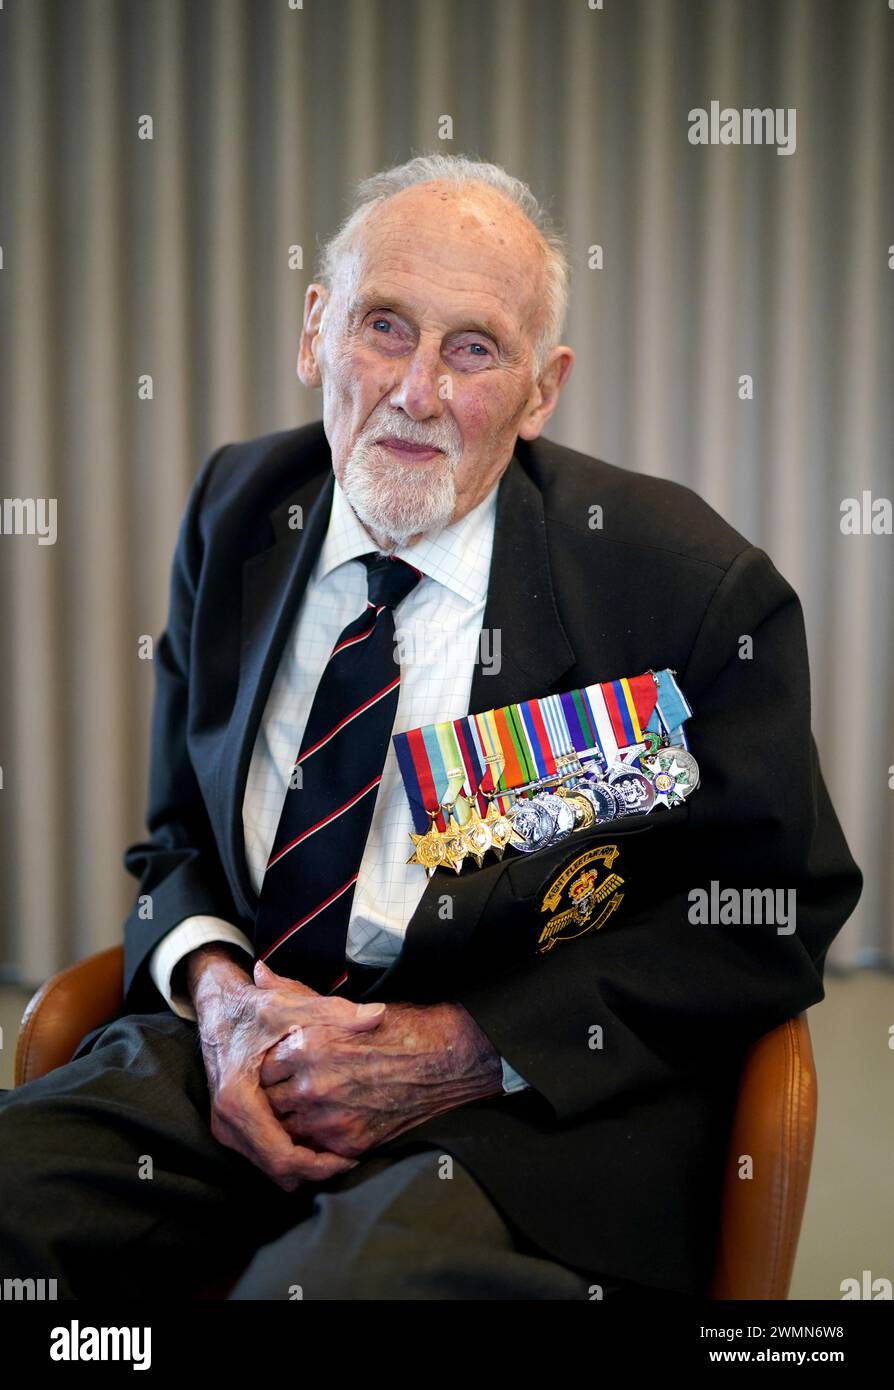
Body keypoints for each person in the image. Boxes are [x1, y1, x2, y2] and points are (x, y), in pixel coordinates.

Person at [0, 154, 862, 1301]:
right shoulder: (239, 509)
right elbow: (176, 837)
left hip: (522, 1112)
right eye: (385, 326)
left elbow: (770, 911)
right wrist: (215, 994)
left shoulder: (683, 586)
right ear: (315, 332)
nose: (416, 391)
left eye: (474, 349)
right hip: (241, 1060)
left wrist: (458, 1048)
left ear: (541, 390)